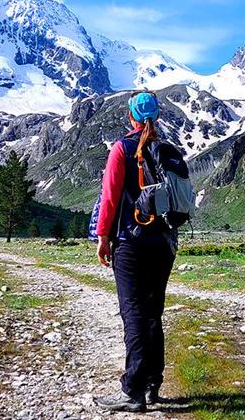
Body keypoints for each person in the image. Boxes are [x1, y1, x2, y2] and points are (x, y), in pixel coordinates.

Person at [93, 91, 177, 412]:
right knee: (153, 312)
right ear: (157, 116)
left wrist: (103, 237)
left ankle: (132, 391)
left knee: (134, 314)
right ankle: (153, 384)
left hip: (130, 243)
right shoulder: (167, 149)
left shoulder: (122, 149)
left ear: (131, 117)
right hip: (164, 244)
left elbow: (110, 197)